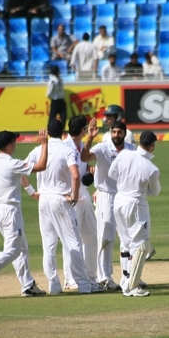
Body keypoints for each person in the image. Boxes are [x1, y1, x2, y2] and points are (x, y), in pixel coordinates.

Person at [24, 119, 102, 295]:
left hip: (43, 199)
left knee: (49, 245)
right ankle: (83, 285)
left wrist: (31, 192)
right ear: (62, 132)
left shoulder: (38, 150)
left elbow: (22, 171)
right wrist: (74, 196)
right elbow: (75, 176)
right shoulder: (67, 150)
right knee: (73, 243)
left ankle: (54, 286)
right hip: (61, 199)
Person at [0, 130, 48, 299]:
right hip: (11, 212)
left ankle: (28, 285)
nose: (16, 144)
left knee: (21, 248)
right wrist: (44, 144)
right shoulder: (13, 164)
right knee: (13, 251)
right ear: (10, 144)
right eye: (15, 141)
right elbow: (41, 166)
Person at [80, 111, 137, 290]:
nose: (116, 135)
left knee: (127, 238)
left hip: (124, 196)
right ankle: (105, 277)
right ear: (110, 133)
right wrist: (89, 138)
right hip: (106, 196)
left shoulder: (131, 149)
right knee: (106, 237)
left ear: (124, 134)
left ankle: (130, 276)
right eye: (113, 132)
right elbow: (84, 157)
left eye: (119, 132)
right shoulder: (103, 147)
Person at [109, 131, 161, 297]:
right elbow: (155, 192)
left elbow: (112, 174)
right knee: (140, 245)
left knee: (126, 243)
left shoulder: (124, 154)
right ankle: (133, 286)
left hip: (119, 201)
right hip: (136, 204)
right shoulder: (152, 169)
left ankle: (126, 281)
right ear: (152, 146)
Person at [61, 115, 99, 289]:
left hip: (83, 193)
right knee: (72, 239)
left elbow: (84, 168)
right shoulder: (65, 146)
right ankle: (70, 279)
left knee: (91, 235)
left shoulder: (82, 146)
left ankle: (90, 276)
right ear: (83, 129)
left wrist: (90, 173)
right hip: (70, 195)